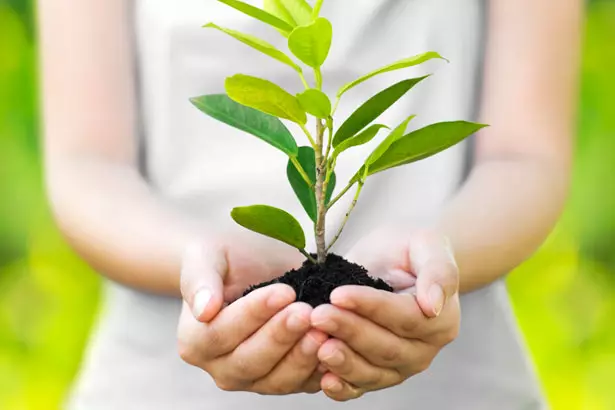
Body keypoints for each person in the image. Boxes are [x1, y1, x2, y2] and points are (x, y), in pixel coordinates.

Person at [38, 0, 581, 409]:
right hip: (160, 380)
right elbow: (88, 164)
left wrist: (438, 264)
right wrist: (197, 264)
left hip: (458, 378)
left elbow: (524, 156)